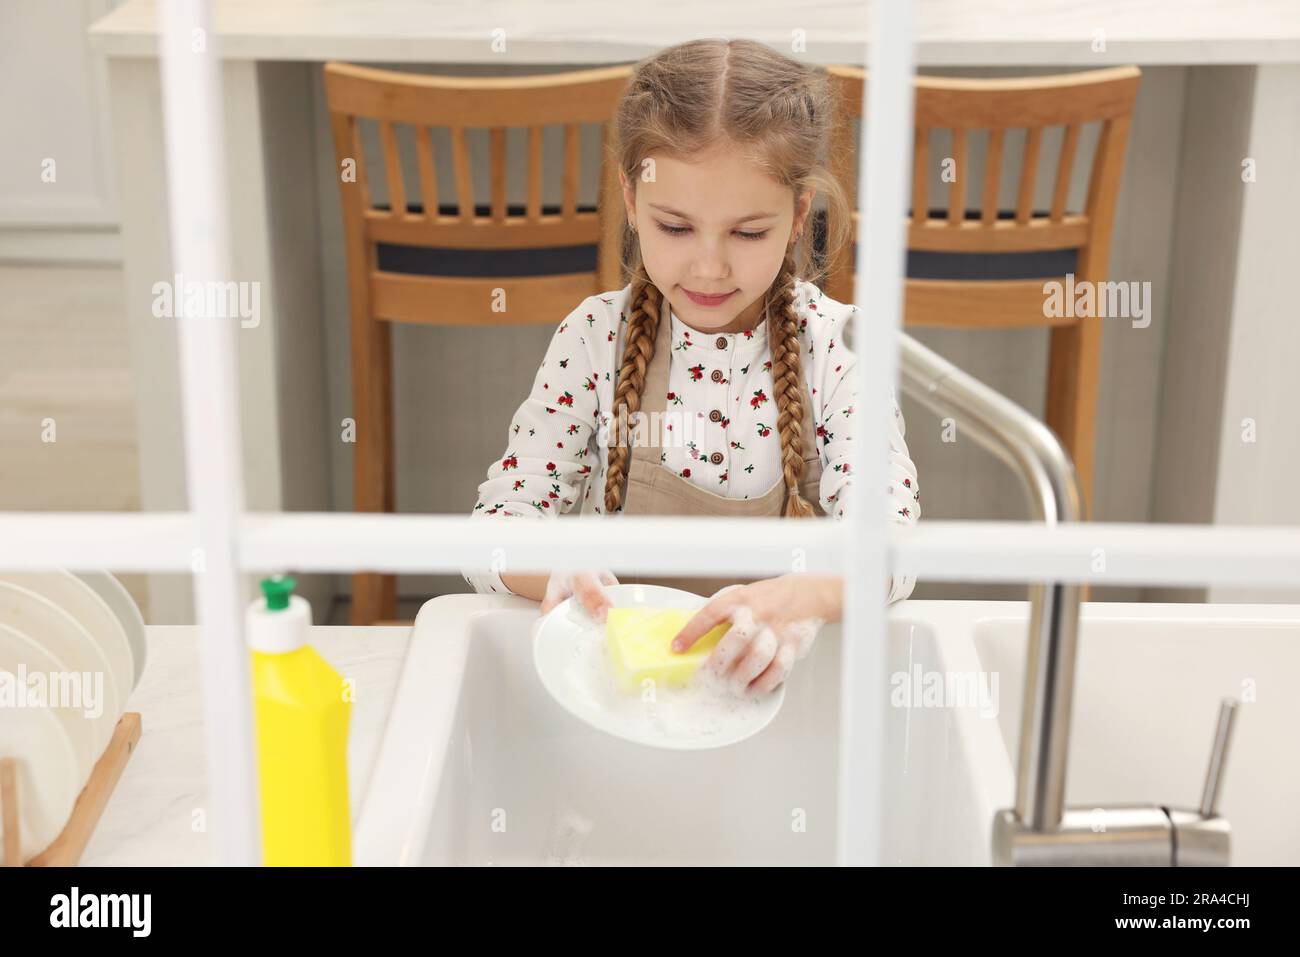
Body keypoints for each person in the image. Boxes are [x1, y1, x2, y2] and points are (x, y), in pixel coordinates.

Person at [463, 38, 919, 694]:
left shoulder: (835, 348)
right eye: (676, 227)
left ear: (797, 216)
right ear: (630, 196)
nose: (710, 266)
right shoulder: (594, 339)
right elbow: (497, 528)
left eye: (747, 232)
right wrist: (554, 570)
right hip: (619, 698)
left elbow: (891, 547)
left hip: (788, 702)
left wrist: (796, 603)